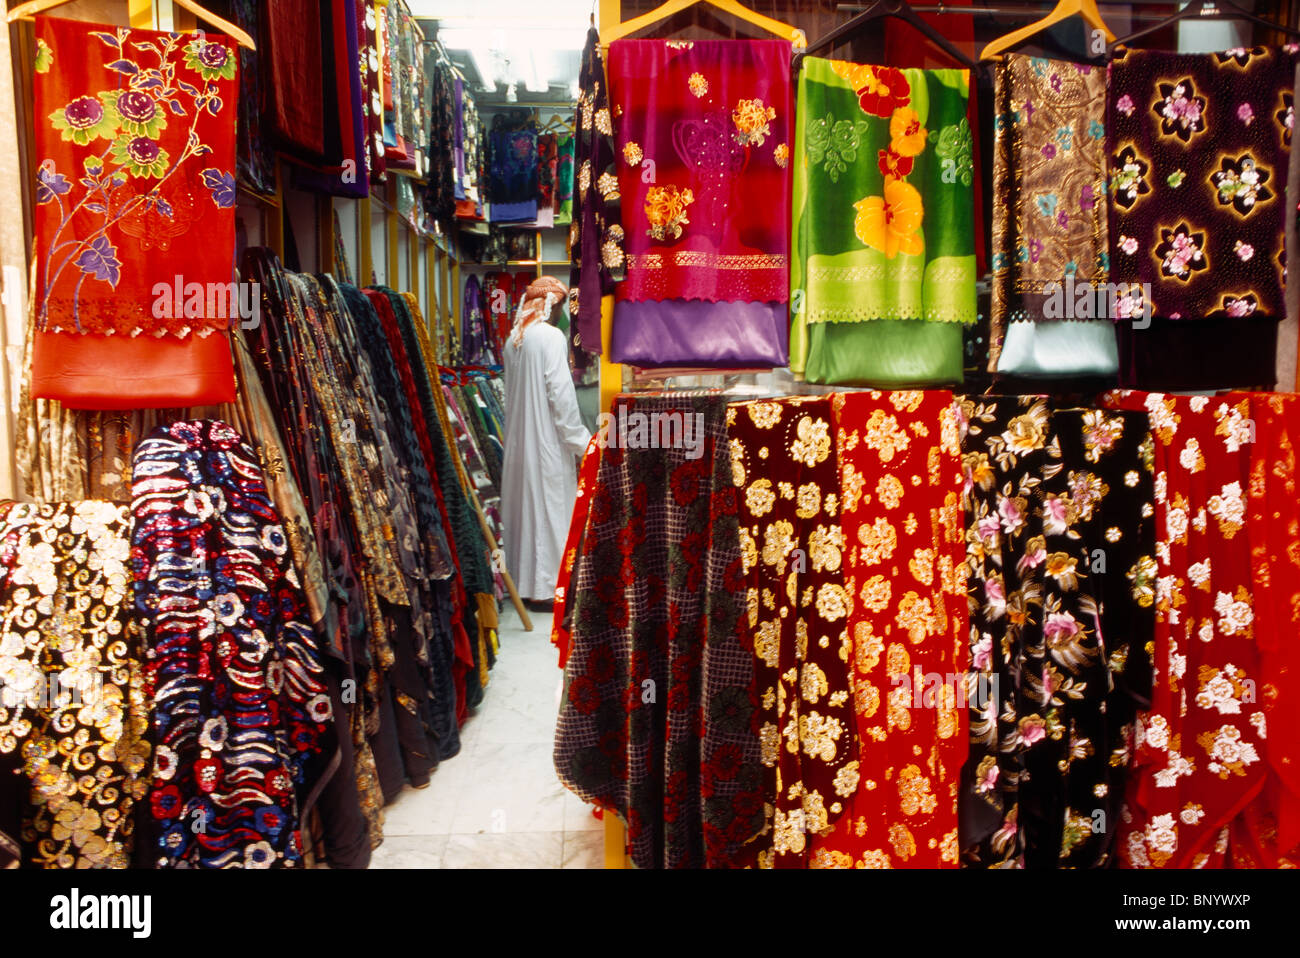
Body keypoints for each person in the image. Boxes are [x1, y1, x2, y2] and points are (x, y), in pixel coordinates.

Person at [500, 276, 591, 607]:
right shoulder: (551, 338)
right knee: (551, 513)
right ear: (551, 306)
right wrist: (582, 442)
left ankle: (525, 587)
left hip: (518, 447)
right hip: (547, 445)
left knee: (525, 515)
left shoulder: (514, 340)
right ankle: (551, 589)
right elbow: (561, 397)